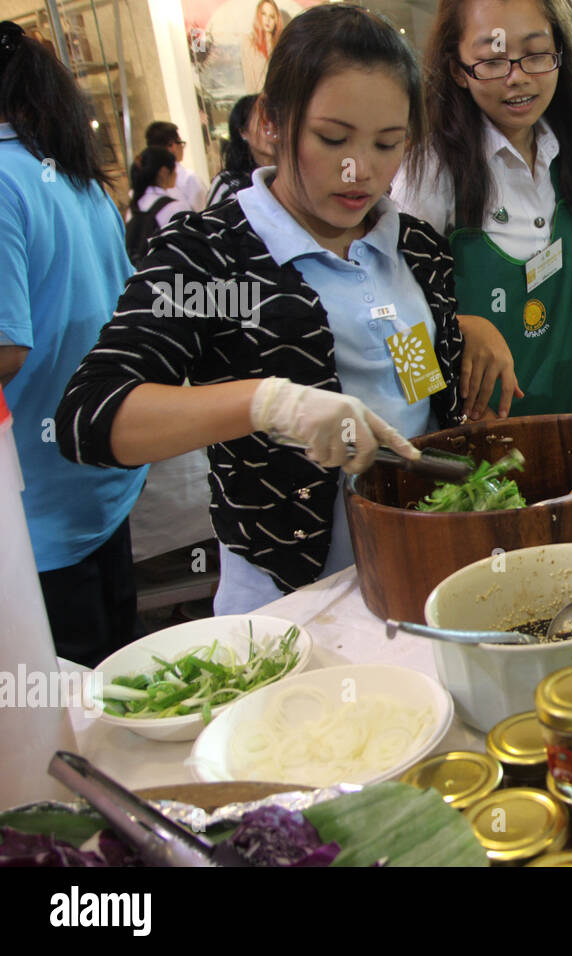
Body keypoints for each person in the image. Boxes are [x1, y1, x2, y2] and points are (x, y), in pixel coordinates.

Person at [57, 4, 513, 615]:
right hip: (293, 602)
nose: (361, 170)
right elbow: (90, 417)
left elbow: (407, 376)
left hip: (424, 572)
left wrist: (462, 332)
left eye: (388, 144)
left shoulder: (411, 246)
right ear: (271, 122)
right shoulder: (212, 256)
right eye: (333, 138)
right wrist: (271, 403)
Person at [395, 0, 572, 418]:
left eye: (535, 54)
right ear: (457, 68)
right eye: (492, 61)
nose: (518, 78)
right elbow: (399, 330)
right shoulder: (430, 172)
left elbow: (569, 282)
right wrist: (436, 416)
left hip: (570, 407)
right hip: (476, 428)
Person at [0, 20, 147, 665]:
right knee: (113, 675)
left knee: (66, 701)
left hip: (38, 505)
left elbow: (8, 348)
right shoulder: (78, 181)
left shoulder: (5, 179)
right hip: (95, 478)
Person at [206, 93, 275, 207]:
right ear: (243, 132)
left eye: (277, 121)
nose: (272, 130)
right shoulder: (227, 184)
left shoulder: (291, 179)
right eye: (264, 124)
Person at [124, 146, 190, 264]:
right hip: (171, 277)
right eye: (174, 169)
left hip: (142, 275)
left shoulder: (133, 207)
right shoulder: (175, 208)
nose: (176, 174)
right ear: (164, 172)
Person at [144, 120, 207, 210]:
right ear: (172, 145)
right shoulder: (189, 179)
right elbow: (203, 214)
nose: (182, 147)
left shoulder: (144, 183)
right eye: (181, 143)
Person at [242, 0, 283, 93]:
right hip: (258, 100)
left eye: (272, 16)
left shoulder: (280, 45)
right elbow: (249, 79)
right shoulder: (249, 42)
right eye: (264, 14)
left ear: (276, 20)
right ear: (258, 16)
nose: (267, 20)